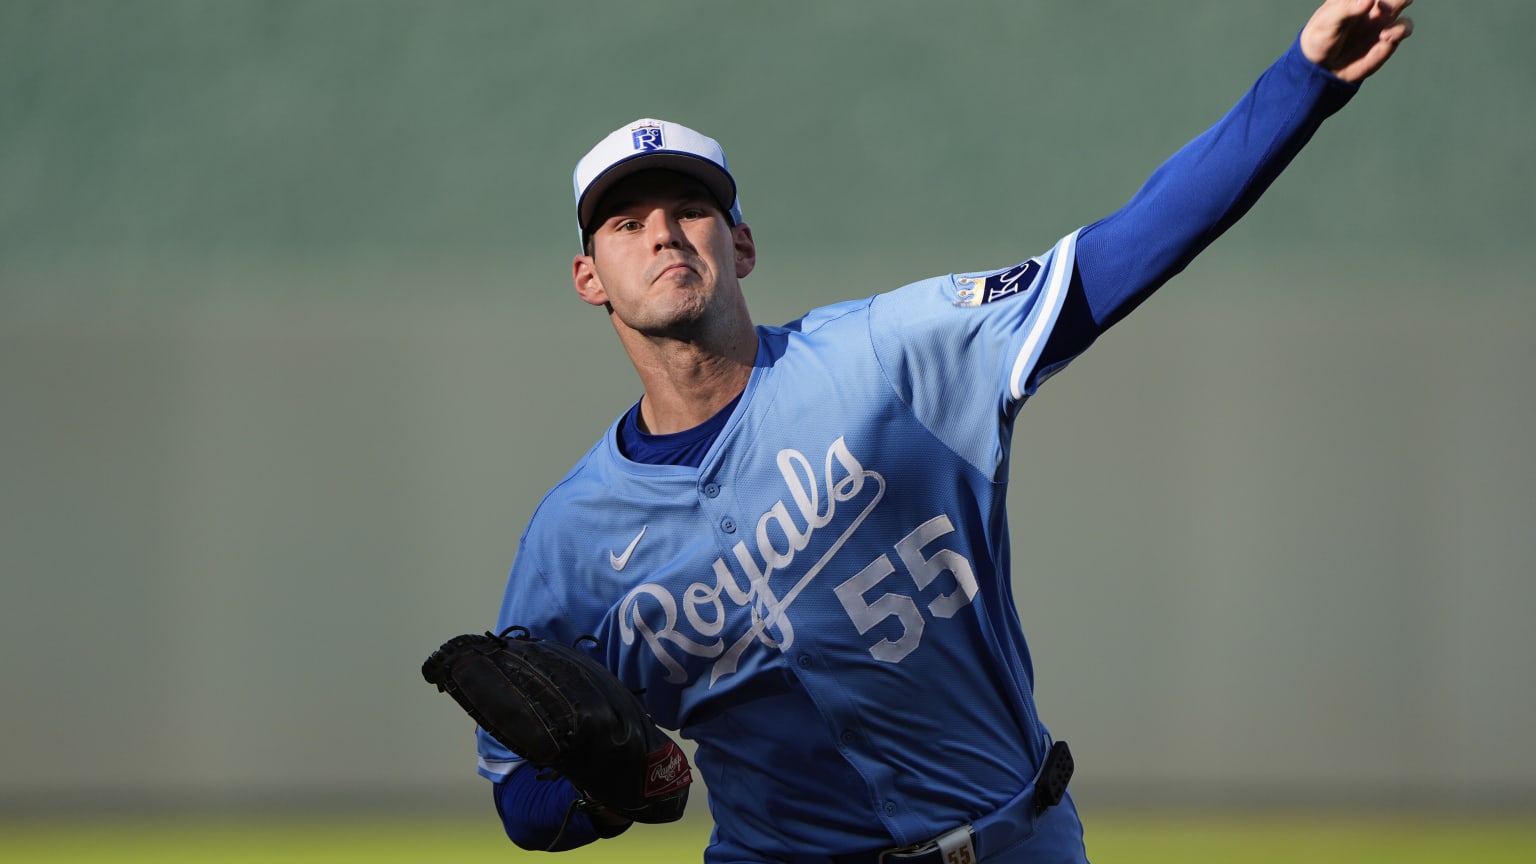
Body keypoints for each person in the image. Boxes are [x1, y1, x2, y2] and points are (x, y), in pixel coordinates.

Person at [468, 1, 1413, 861]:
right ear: (590, 276)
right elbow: (521, 788)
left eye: (692, 210)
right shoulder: (574, 542)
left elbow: (1118, 255)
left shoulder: (890, 357)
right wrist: (602, 797)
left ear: (741, 244)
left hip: (1013, 841)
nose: (665, 234)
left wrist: (1305, 79)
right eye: (626, 223)